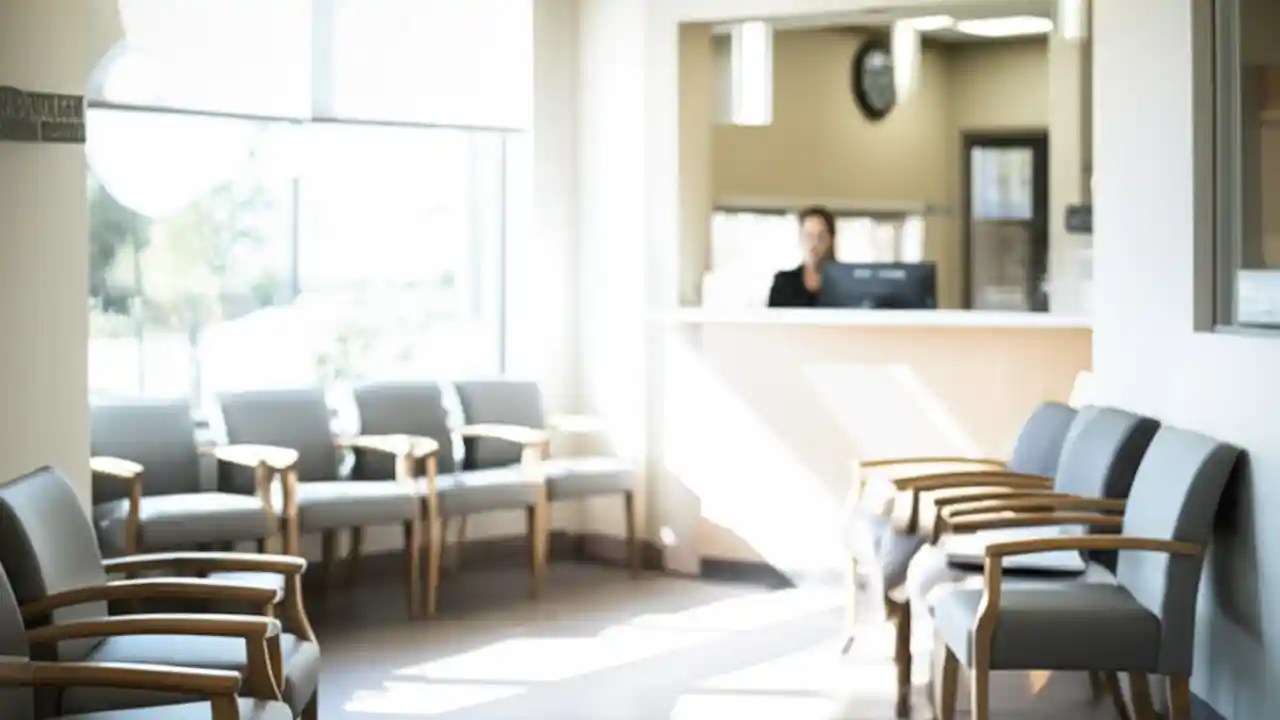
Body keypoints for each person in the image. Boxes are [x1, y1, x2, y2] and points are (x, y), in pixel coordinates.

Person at [768, 205, 836, 307]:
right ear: (800, 238)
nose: (815, 243)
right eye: (809, 236)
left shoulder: (848, 283)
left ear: (831, 239)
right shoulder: (783, 282)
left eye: (821, 236)